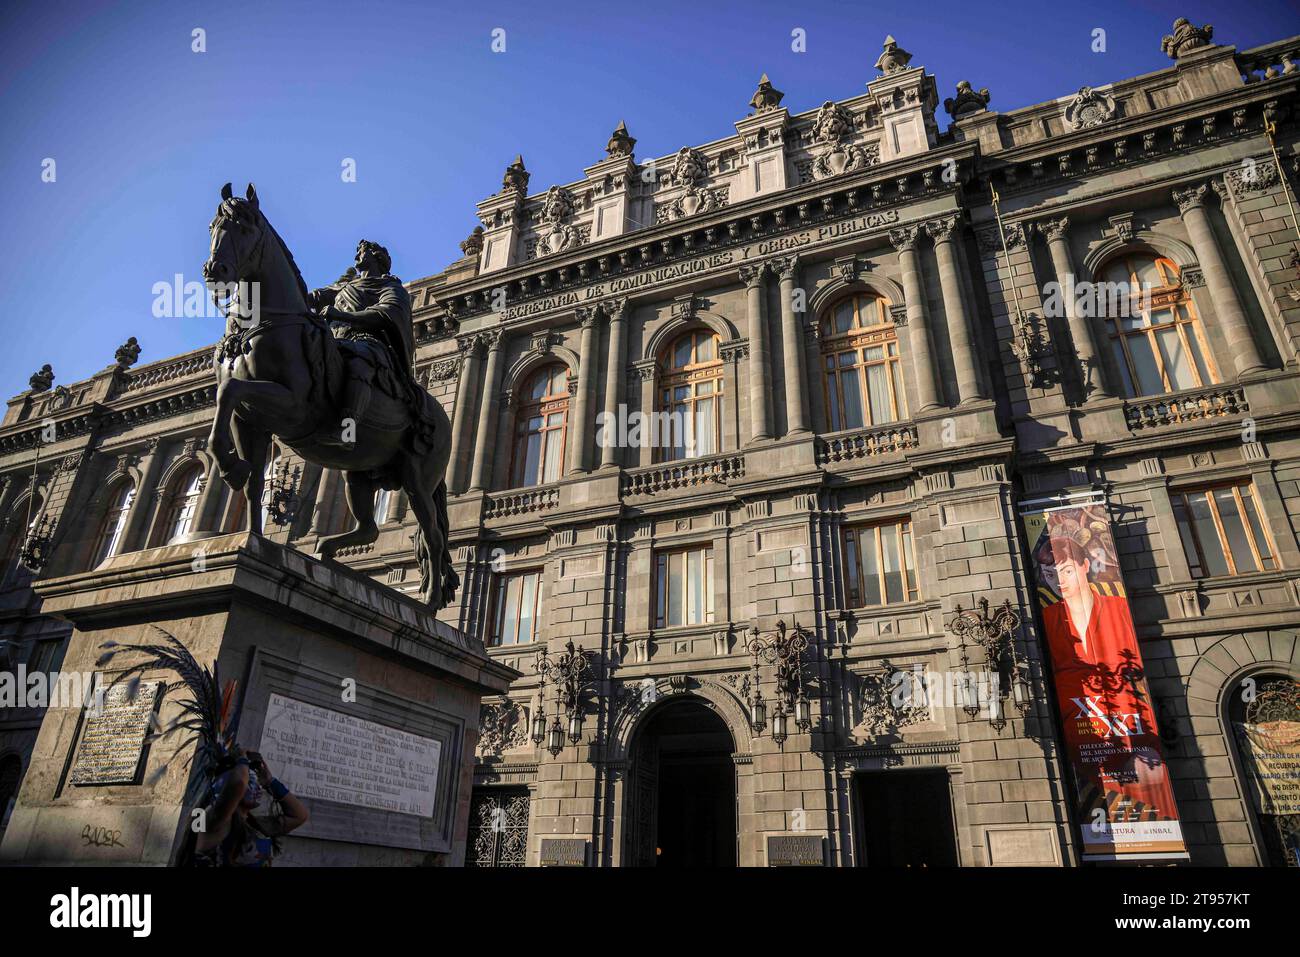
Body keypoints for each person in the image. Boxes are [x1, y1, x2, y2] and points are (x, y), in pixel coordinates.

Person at [307, 240, 417, 447]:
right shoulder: (345, 287)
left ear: (377, 258)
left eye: (363, 252)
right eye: (357, 251)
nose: (357, 255)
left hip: (368, 341)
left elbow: (386, 312)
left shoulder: (390, 287)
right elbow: (314, 297)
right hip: (334, 339)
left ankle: (346, 431)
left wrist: (343, 316)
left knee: (360, 362)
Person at [192, 746, 309, 867]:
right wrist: (241, 758)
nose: (258, 787)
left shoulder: (256, 826)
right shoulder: (216, 819)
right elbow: (239, 784)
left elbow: (299, 816)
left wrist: (270, 782)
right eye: (251, 781)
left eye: (257, 781)